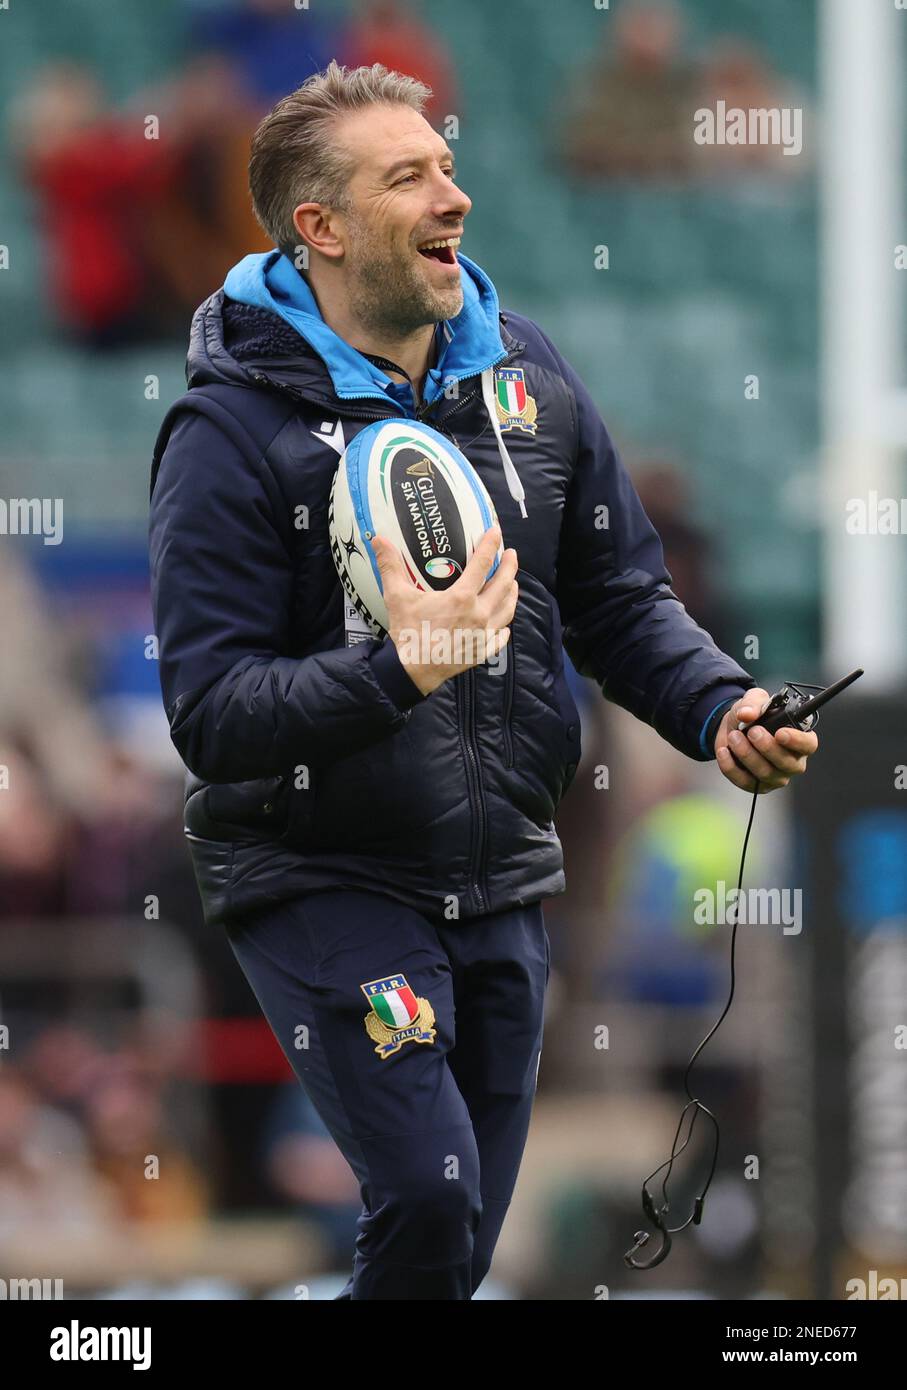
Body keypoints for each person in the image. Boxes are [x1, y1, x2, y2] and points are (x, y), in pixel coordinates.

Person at [148, 62, 819, 1300]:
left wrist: (719, 702)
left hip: (503, 872)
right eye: (409, 177)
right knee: (428, 1192)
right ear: (323, 227)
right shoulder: (227, 433)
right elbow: (214, 713)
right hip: (324, 877)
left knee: (455, 1250)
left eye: (447, 165)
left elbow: (621, 600)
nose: (453, 193)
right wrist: (397, 669)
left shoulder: (526, 376)